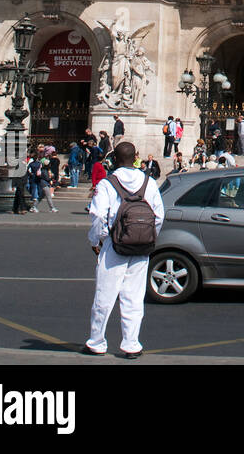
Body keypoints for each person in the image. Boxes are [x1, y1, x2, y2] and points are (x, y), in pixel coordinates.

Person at [82, 141, 164, 358]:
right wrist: (146, 237)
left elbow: (98, 216)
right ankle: (131, 344)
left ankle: (97, 342)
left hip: (114, 245)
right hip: (141, 247)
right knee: (134, 297)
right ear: (135, 157)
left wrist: (96, 240)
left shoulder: (107, 184)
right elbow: (159, 217)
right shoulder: (150, 183)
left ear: (115, 160)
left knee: (105, 296)